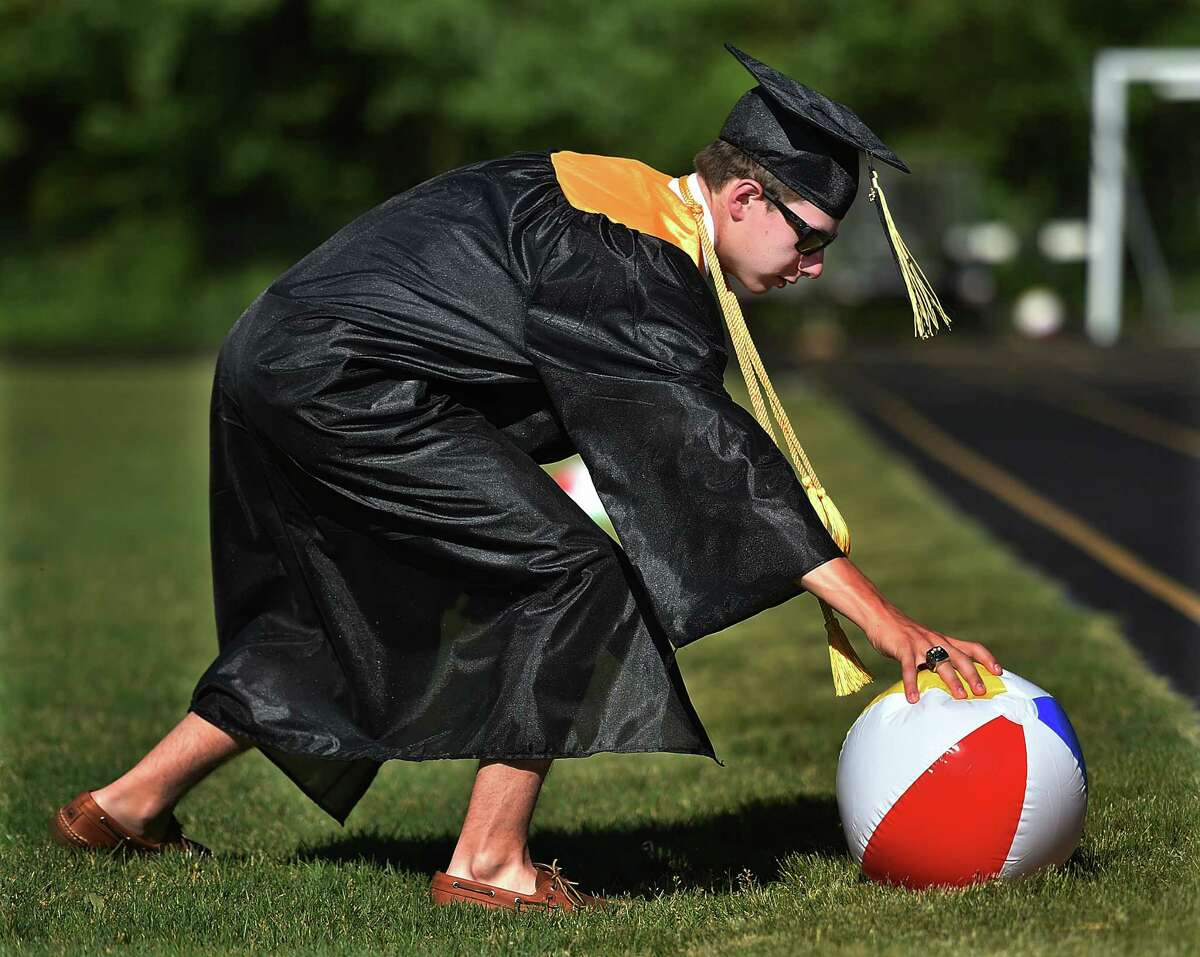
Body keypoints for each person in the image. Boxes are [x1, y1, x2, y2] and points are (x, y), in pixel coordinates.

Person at [51, 45, 1001, 912]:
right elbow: (711, 454)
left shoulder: (611, 192)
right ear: (745, 197)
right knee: (575, 576)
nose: (816, 265)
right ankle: (490, 863)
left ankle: (126, 806)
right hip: (346, 380)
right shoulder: (633, 255)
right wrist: (881, 617)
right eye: (809, 236)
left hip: (287, 355)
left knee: (385, 594)